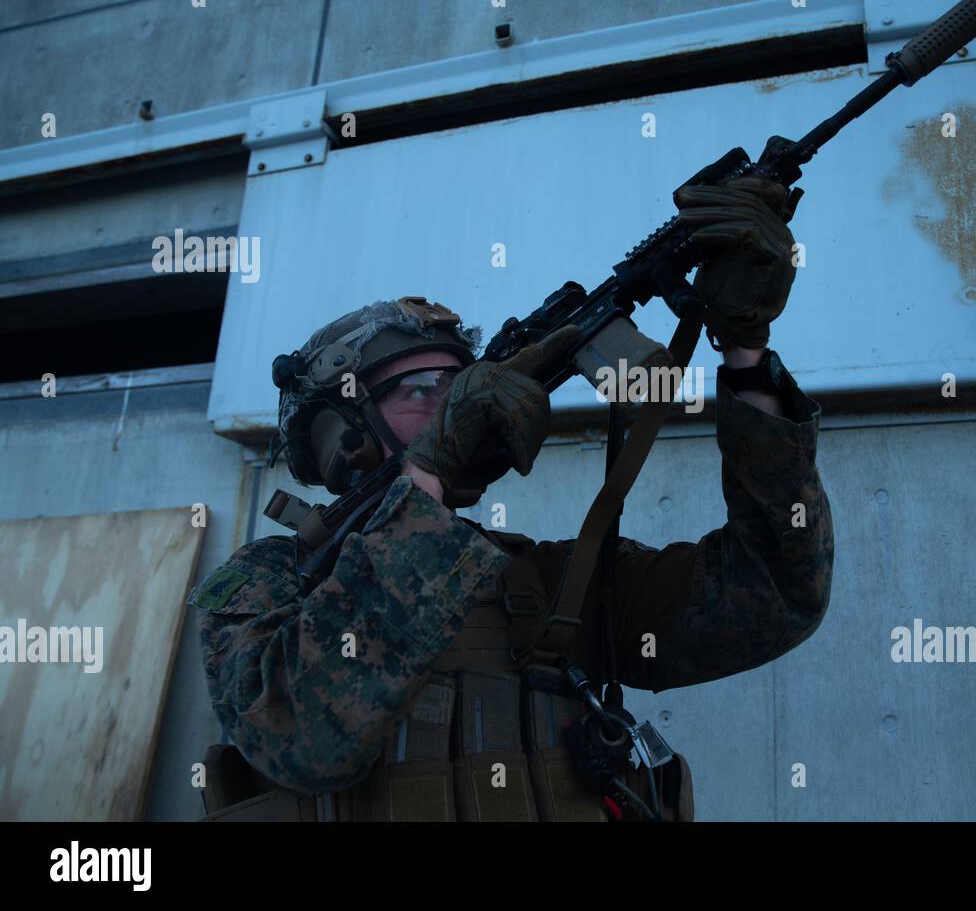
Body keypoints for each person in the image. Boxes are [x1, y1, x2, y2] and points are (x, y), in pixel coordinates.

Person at [189, 177, 835, 821]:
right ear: (346, 436)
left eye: (462, 385)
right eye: (422, 389)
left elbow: (774, 595)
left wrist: (746, 351)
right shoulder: (267, 579)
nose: (457, 405)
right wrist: (430, 472)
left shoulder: (544, 584)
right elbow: (303, 736)